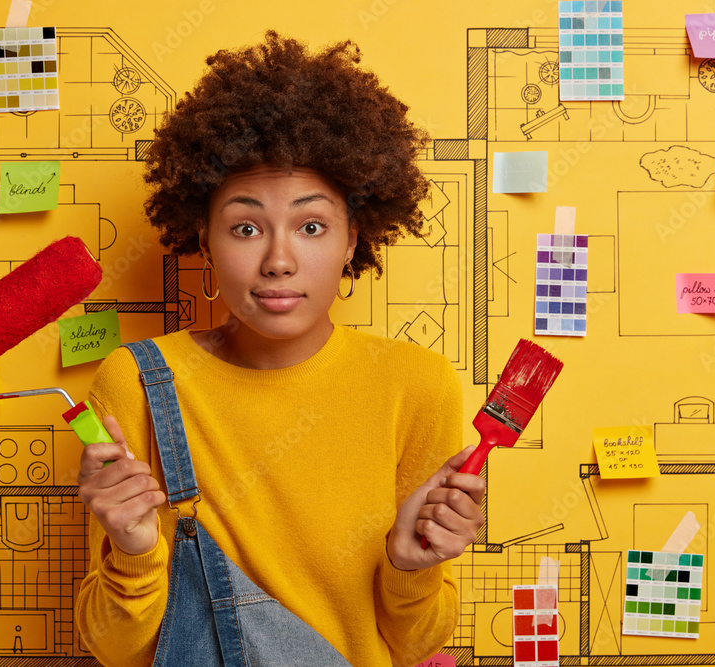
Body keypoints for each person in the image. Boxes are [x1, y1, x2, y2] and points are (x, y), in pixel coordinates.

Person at [75, 31, 485, 667]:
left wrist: (411, 566)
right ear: (203, 240)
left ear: (354, 238)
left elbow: (417, 646)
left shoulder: (416, 385)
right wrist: (131, 551)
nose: (278, 260)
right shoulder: (136, 382)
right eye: (245, 227)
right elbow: (114, 650)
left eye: (312, 225)